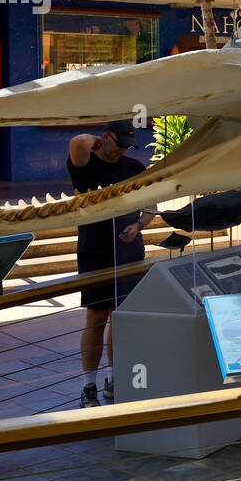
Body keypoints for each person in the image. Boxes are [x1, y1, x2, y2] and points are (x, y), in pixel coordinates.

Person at [68, 120, 155, 407]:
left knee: (120, 316)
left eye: (127, 146)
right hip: (95, 250)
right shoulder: (86, 166)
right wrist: (95, 142)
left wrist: (138, 227)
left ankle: (114, 377)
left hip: (129, 251)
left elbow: (151, 206)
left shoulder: (133, 168)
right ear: (105, 137)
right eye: (119, 144)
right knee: (96, 317)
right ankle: (88, 385)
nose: (122, 151)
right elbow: (77, 144)